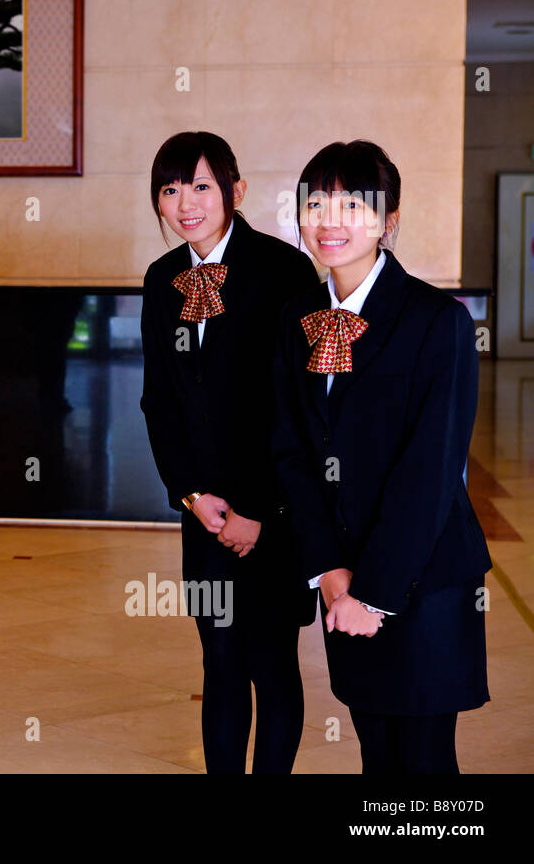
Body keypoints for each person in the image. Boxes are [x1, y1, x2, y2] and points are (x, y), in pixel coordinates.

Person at [272, 140, 490, 773]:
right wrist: (330, 572)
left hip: (420, 581)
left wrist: (373, 593)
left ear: (388, 219)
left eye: (353, 204)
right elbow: (292, 453)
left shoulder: (435, 320)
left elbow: (431, 470)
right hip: (341, 582)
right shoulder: (299, 317)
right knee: (376, 751)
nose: (330, 220)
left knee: (422, 760)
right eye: (316, 203)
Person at [140, 131, 317, 773]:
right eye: (170, 188)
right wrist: (192, 496)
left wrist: (257, 513)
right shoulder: (163, 281)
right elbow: (160, 402)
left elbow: (298, 409)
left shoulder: (283, 272)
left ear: (235, 191)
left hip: (273, 518)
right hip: (206, 517)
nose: (185, 202)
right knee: (219, 662)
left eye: (202, 185)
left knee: (271, 664)